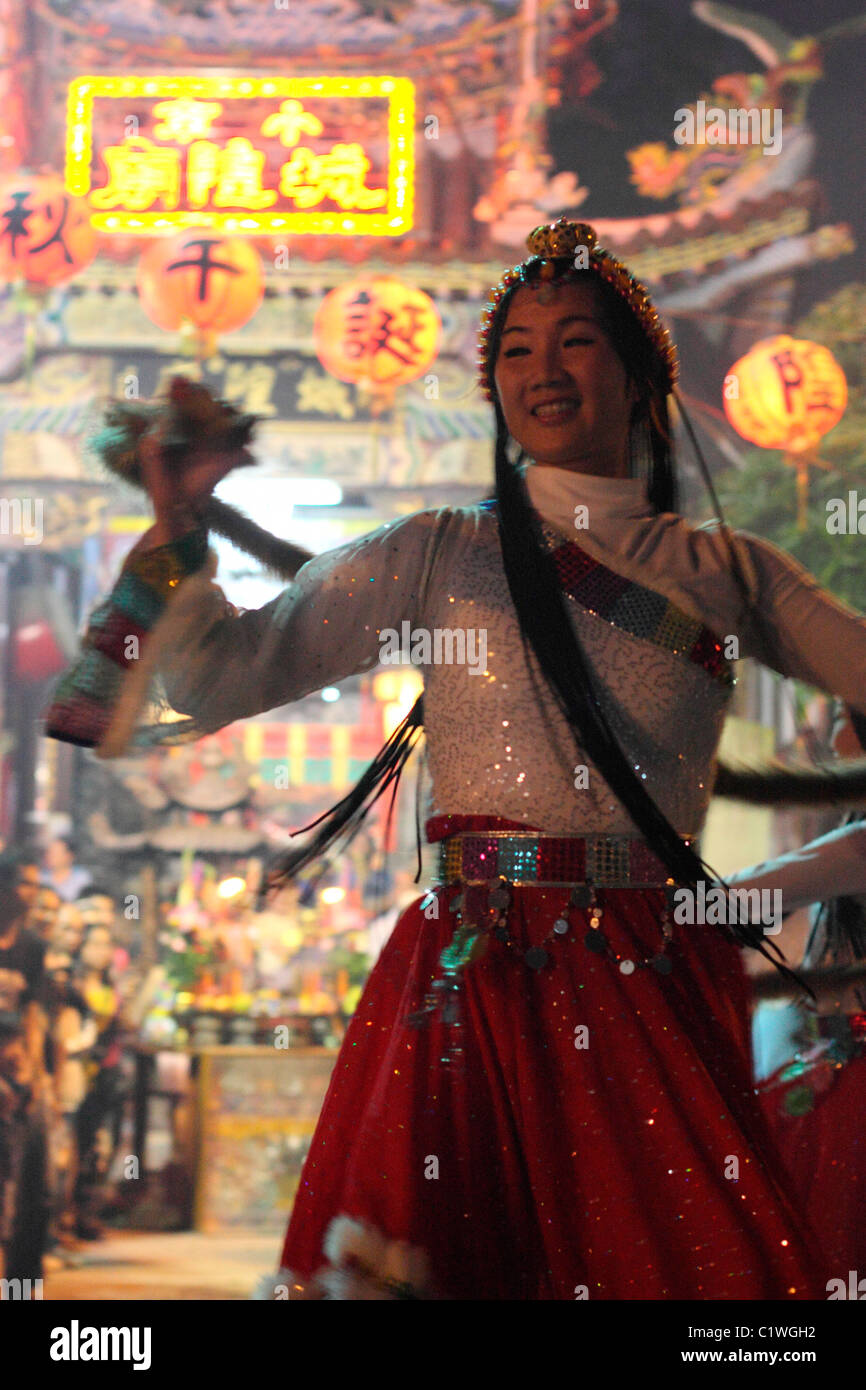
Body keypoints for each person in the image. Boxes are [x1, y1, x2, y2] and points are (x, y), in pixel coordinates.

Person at [44, 219, 866, 1300]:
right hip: (469, 973)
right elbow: (225, 674)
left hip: (651, 975)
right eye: (515, 349)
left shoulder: (727, 572)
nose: (541, 369)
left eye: (573, 340)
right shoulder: (434, 551)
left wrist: (763, 890)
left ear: (639, 374)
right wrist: (179, 519)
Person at [41, 838, 93, 905]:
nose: (50, 856)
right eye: (49, 852)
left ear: (69, 856)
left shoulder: (81, 877)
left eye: (56, 853)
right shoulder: (41, 877)